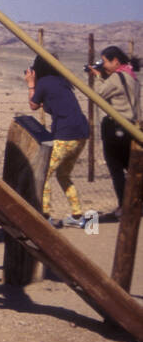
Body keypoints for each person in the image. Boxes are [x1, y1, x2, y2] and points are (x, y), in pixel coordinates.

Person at [25, 54, 91, 227]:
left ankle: (45, 215)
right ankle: (77, 216)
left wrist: (31, 85)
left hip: (65, 135)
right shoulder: (61, 81)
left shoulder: (44, 83)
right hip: (81, 133)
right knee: (63, 174)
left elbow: (33, 105)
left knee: (45, 173)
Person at [95, 46, 141, 219]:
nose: (103, 65)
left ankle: (124, 206)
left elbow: (98, 94)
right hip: (131, 127)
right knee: (131, 168)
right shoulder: (131, 75)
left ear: (115, 61)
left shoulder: (116, 77)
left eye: (105, 61)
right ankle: (135, 203)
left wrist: (99, 77)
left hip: (115, 128)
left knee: (116, 169)